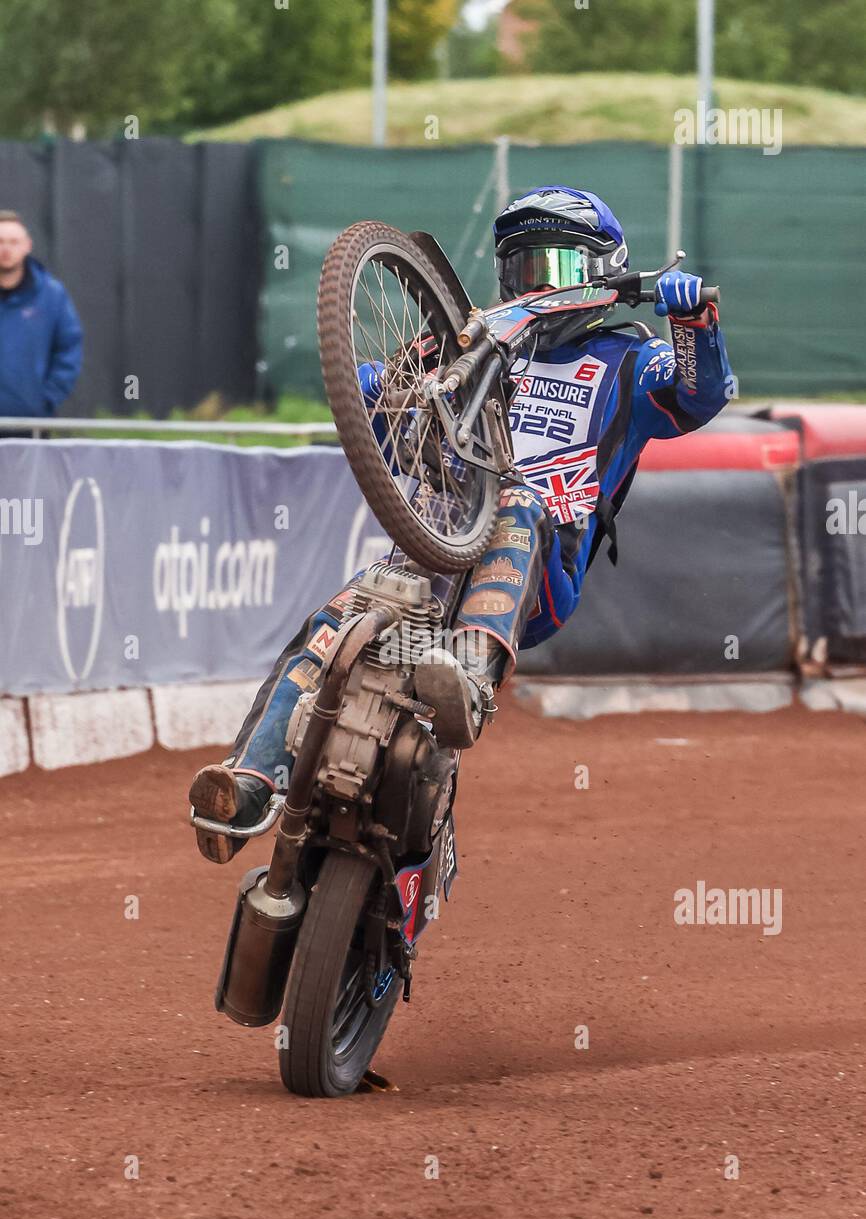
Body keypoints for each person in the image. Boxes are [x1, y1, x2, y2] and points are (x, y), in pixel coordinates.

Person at [189, 185, 732, 864]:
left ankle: (470, 678)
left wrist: (695, 321)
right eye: (521, 269)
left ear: (601, 270)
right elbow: (392, 442)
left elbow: (699, 393)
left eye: (556, 269)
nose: (536, 285)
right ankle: (249, 781)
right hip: (434, 563)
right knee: (333, 626)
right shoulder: (477, 353)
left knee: (520, 501)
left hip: (539, 573)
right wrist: (382, 381)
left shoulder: (630, 358)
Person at [0, 210, 83, 420]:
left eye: (13, 242)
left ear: (27, 245)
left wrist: (46, 400)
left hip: (31, 424)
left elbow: (69, 347)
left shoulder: (51, 295)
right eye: (1, 241)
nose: (6, 249)